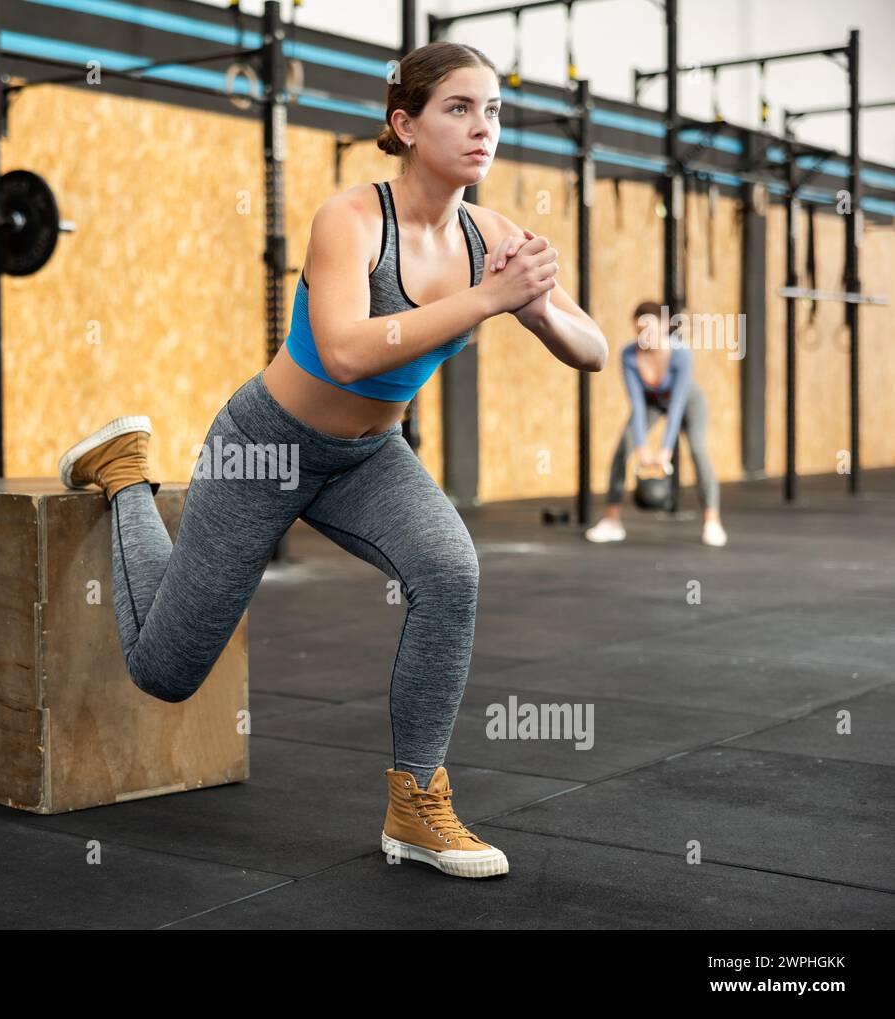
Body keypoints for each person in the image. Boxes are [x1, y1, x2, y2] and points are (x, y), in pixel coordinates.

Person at [56, 42, 608, 878]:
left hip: (370, 457)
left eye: (492, 109)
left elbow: (594, 346)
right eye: (458, 108)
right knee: (166, 673)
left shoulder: (490, 236)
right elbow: (348, 351)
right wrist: (489, 297)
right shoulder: (349, 220)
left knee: (450, 572)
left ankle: (416, 804)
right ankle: (127, 472)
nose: (481, 127)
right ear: (405, 124)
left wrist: (535, 309)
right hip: (264, 446)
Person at [584, 301, 727, 546]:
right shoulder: (629, 355)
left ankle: (712, 521)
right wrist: (641, 447)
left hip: (687, 401)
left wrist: (664, 450)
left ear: (663, 325)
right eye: (639, 330)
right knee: (624, 446)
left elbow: (678, 405)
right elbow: (637, 405)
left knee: (697, 448)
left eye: (649, 328)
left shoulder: (680, 353)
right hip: (652, 403)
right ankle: (611, 521)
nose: (644, 335)